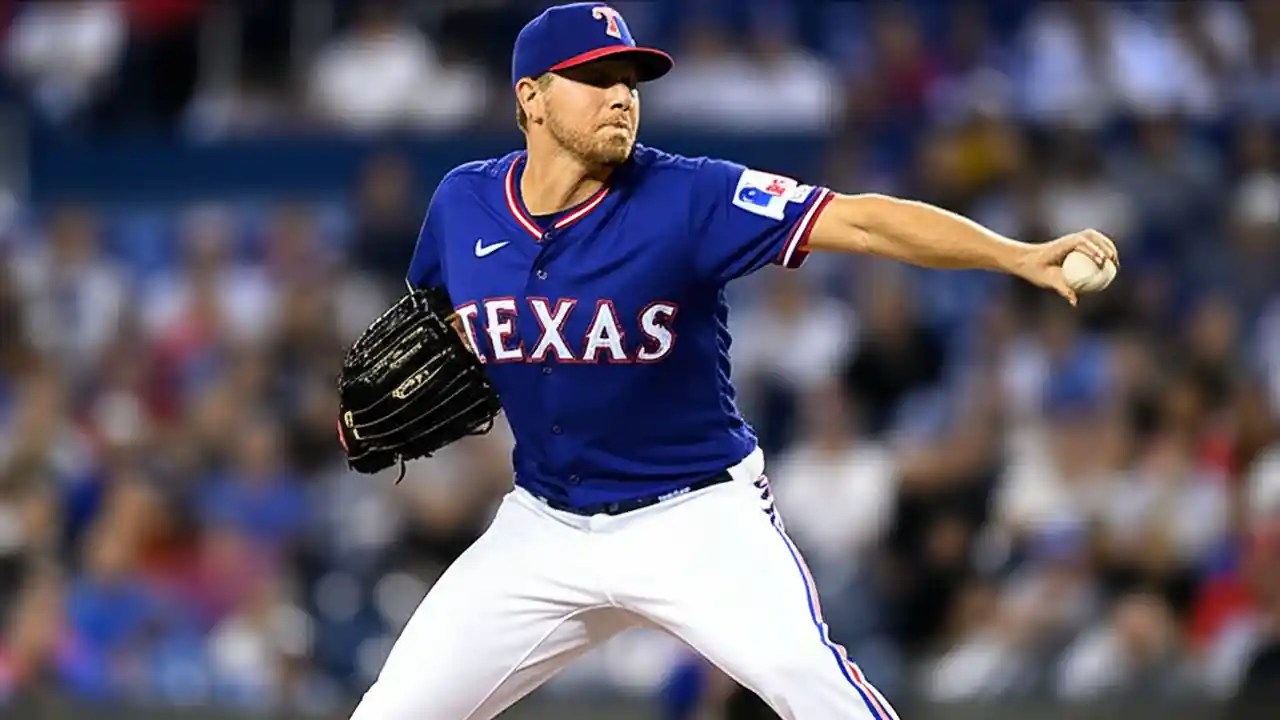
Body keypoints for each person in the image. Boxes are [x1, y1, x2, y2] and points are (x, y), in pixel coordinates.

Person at [348, 4, 1119, 719]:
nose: (620, 95)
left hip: (695, 517)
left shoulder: (688, 196)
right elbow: (436, 334)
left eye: (630, 80)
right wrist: (365, 420)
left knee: (817, 692)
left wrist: (1015, 255)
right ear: (531, 99)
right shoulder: (463, 205)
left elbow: (862, 221)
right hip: (544, 525)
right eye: (594, 78)